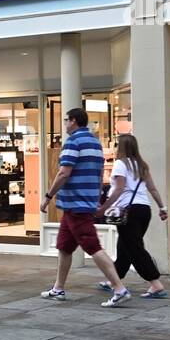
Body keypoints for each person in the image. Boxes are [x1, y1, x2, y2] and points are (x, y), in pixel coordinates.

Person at [40, 107, 133, 307]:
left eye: (66, 120)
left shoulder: (72, 142)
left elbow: (64, 173)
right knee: (64, 246)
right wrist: (96, 198)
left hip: (76, 202)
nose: (65, 124)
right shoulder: (94, 143)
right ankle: (58, 288)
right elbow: (100, 174)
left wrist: (48, 196)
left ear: (73, 121)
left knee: (92, 246)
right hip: (84, 201)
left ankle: (119, 288)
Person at [99, 133, 170, 298]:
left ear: (120, 147)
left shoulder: (120, 164)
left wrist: (103, 208)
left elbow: (118, 189)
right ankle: (113, 280)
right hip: (144, 210)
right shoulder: (141, 165)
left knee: (135, 248)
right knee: (125, 246)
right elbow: (152, 188)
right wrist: (162, 207)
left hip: (127, 211)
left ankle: (155, 284)